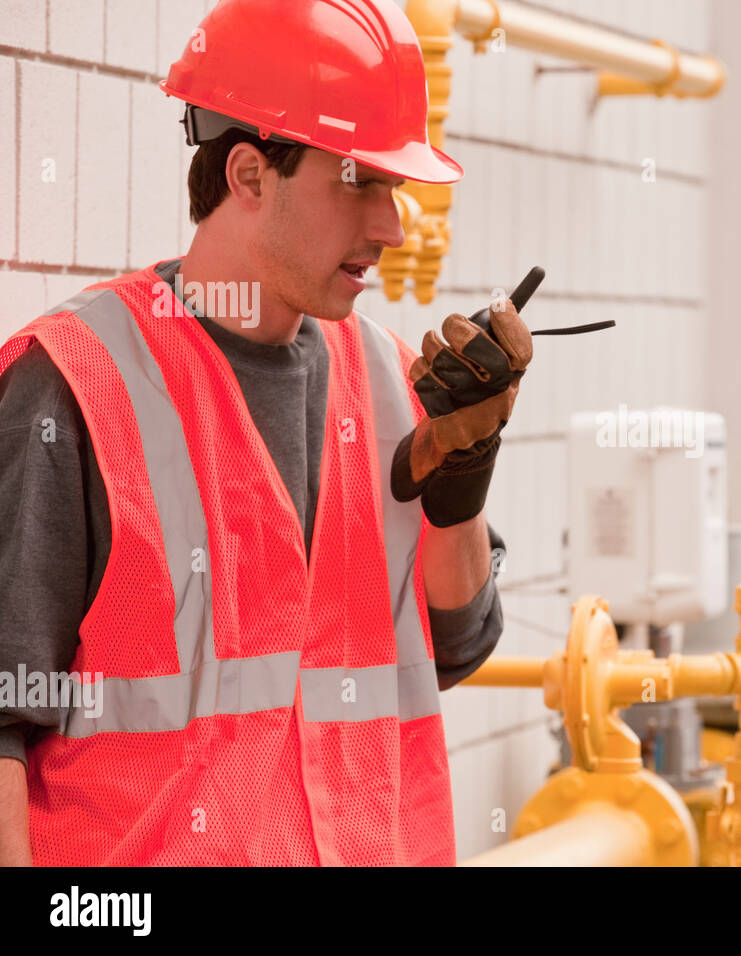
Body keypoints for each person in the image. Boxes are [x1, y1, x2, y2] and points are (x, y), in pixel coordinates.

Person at [0, 0, 526, 866]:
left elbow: (456, 646)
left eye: (394, 189)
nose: (392, 228)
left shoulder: (394, 382)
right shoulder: (78, 382)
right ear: (249, 175)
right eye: (359, 182)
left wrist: (462, 479)